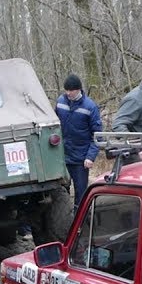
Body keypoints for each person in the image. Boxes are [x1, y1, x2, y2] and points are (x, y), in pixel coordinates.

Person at [55, 73, 102, 207]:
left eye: (71, 90)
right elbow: (54, 126)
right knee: (60, 192)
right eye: (66, 90)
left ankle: (80, 217)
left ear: (79, 90)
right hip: (62, 156)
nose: (68, 93)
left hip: (81, 159)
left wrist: (90, 157)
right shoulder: (60, 102)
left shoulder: (90, 107)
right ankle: (64, 217)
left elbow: (97, 135)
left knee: (81, 194)